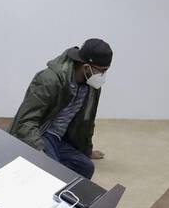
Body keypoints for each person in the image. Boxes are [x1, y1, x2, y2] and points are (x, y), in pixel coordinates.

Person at [9, 37, 112, 178]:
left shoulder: (92, 86)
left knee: (86, 167)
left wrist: (87, 151)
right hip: (42, 133)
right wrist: (39, 150)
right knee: (52, 172)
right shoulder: (50, 80)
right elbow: (26, 121)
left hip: (60, 139)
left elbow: (87, 123)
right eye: (101, 70)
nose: (103, 75)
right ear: (86, 66)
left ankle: (69, 197)